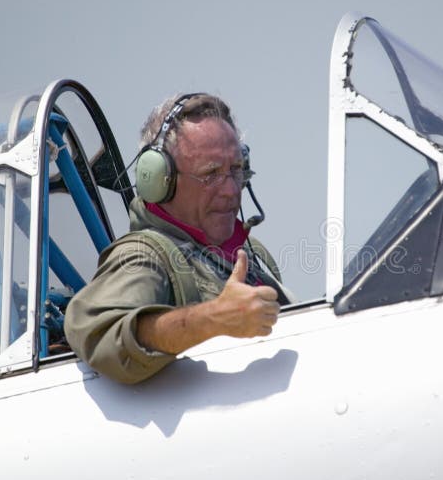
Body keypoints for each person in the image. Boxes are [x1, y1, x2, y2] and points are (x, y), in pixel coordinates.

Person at [65, 93, 293, 384]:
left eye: (235, 169)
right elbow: (99, 332)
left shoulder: (251, 254)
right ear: (161, 181)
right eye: (210, 174)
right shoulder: (144, 255)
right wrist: (212, 318)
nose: (230, 190)